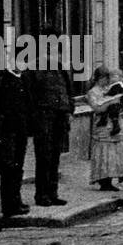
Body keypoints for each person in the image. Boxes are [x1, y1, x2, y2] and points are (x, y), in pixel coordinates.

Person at [23, 64, 73, 208]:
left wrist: (70, 110)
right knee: (44, 156)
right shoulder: (33, 69)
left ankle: (53, 193)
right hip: (43, 116)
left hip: (60, 115)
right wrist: (34, 117)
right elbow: (29, 95)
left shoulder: (61, 68)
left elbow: (69, 91)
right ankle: (42, 195)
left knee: (55, 156)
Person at [0, 67, 30, 221]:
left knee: (17, 168)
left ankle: (15, 202)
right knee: (9, 169)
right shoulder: (3, 78)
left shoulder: (22, 78)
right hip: (6, 132)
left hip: (20, 131)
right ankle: (9, 206)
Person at [85, 68, 123, 192]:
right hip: (103, 126)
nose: (109, 80)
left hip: (115, 123)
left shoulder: (108, 89)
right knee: (105, 151)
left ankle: (118, 176)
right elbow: (97, 108)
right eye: (107, 78)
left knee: (118, 150)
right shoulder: (92, 92)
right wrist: (111, 102)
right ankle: (104, 180)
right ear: (101, 78)